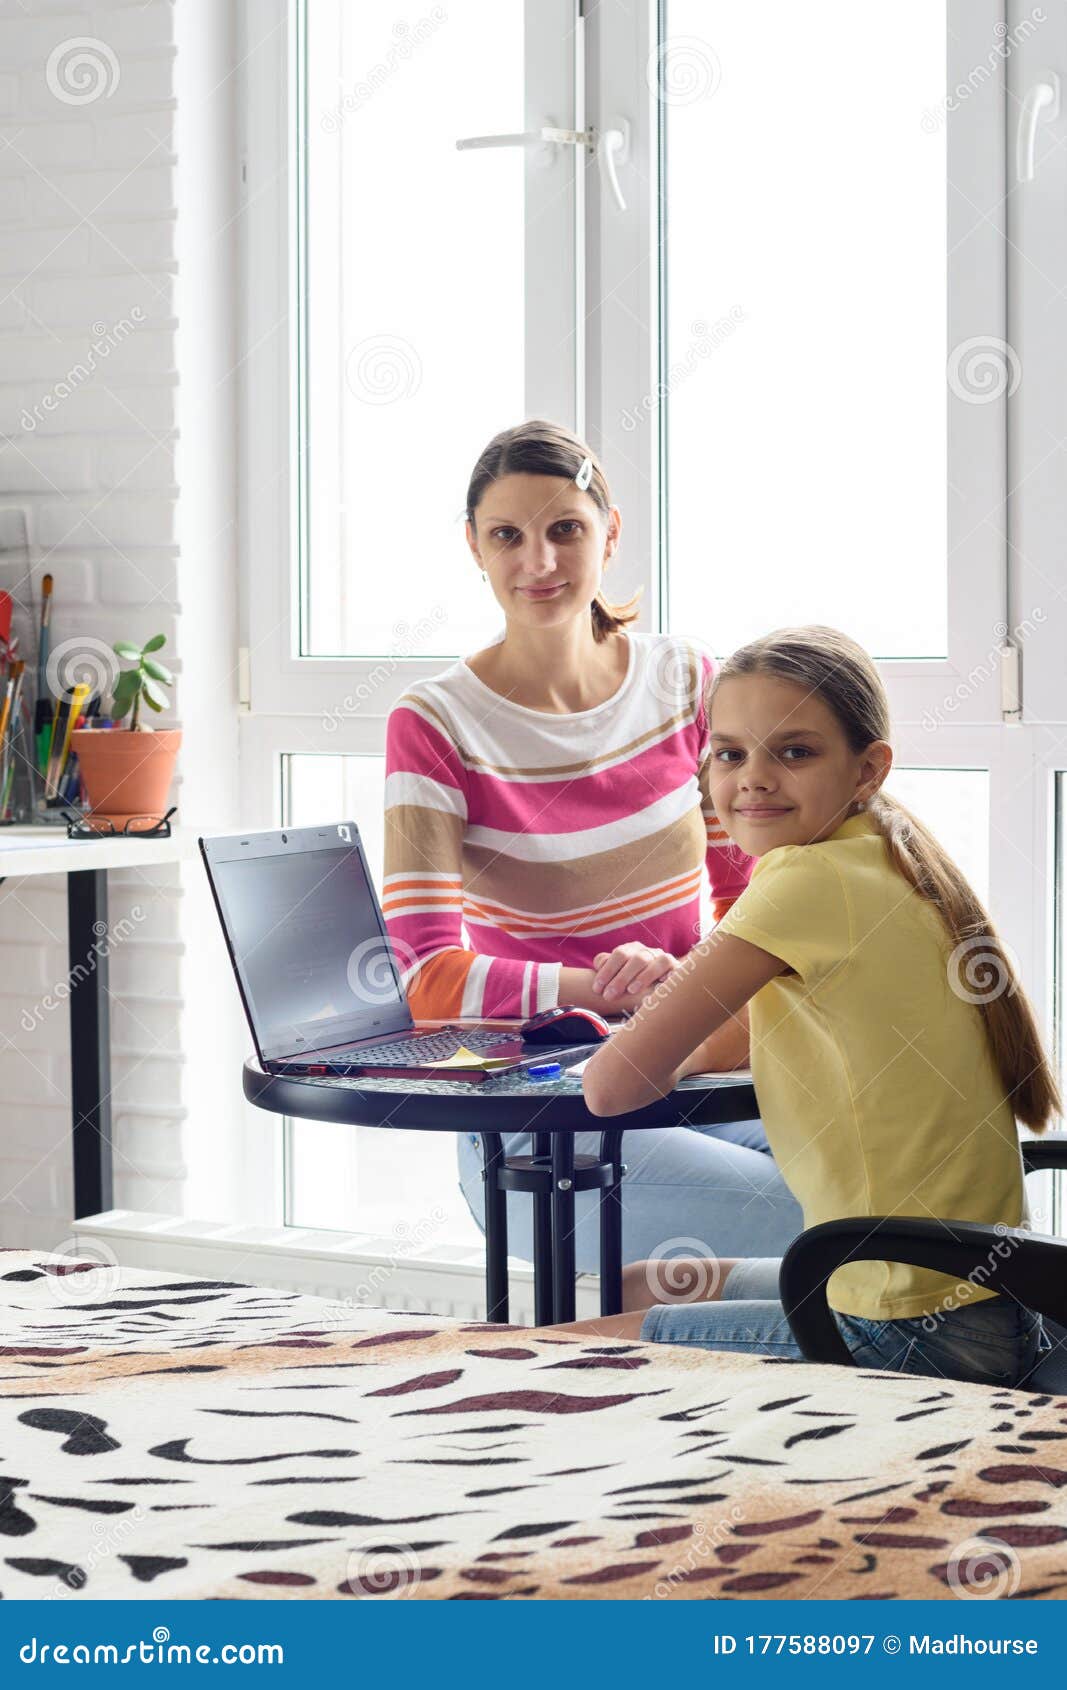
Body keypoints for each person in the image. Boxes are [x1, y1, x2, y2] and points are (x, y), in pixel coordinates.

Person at [567, 624, 1061, 1391]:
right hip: (983, 1294)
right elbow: (726, 1043)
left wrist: (661, 1004)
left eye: (793, 752)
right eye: (730, 753)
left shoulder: (802, 880)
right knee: (640, 1286)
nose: (753, 780)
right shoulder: (882, 852)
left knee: (566, 1348)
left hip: (908, 1327)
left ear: (866, 769)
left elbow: (610, 1087)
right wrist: (685, 998)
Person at [382, 419, 805, 1268]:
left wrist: (679, 994)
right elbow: (427, 984)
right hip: (545, 1115)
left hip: (706, 1069)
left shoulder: (687, 681)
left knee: (904, 1211)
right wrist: (619, 986)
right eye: (507, 535)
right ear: (473, 546)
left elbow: (751, 897)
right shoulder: (434, 723)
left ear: (609, 533)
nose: (537, 563)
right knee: (824, 1239)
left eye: (564, 530)